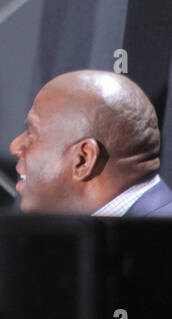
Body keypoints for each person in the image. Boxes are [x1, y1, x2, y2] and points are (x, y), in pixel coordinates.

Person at [9, 70, 172, 217]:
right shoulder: (117, 234)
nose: (15, 146)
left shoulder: (154, 245)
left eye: (32, 133)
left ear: (83, 160)